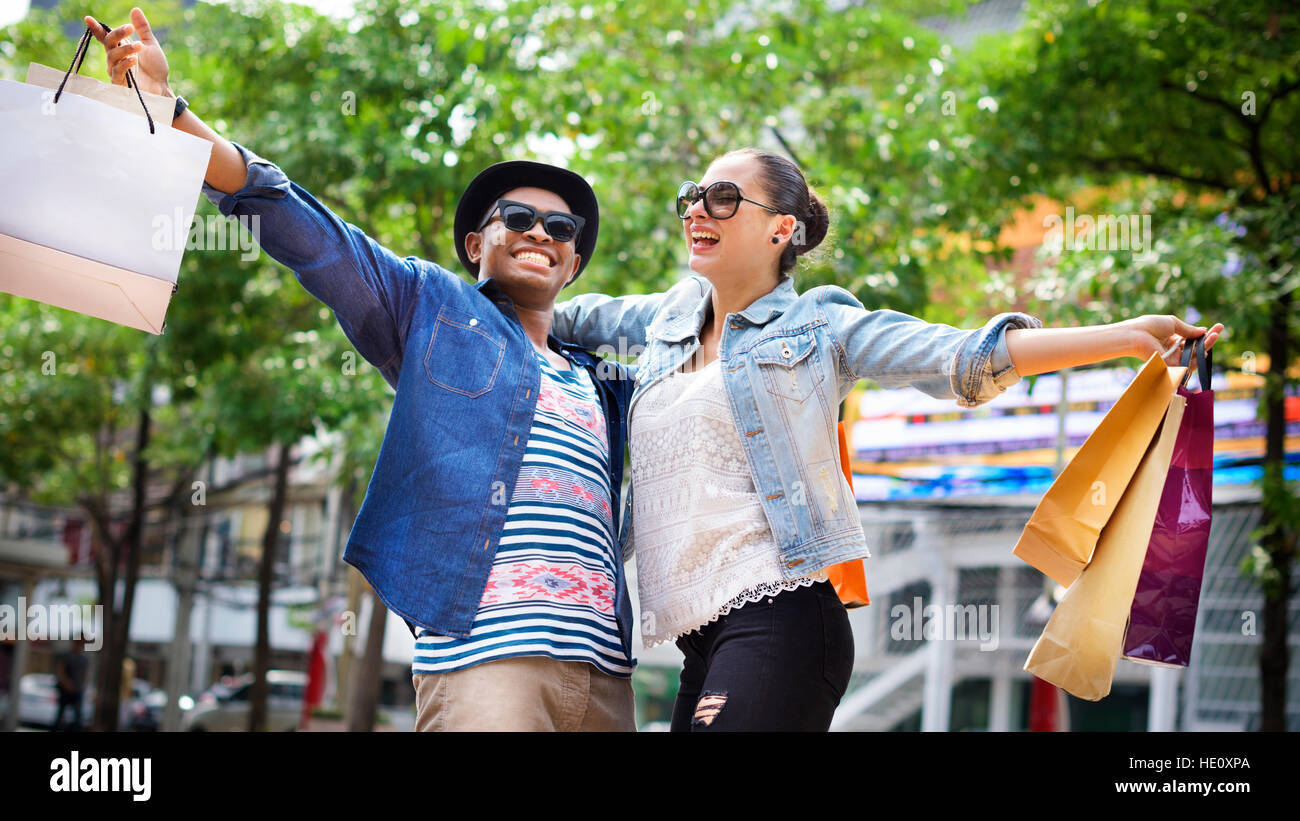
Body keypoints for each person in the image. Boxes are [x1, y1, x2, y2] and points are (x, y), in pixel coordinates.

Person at [88, 9, 638, 732]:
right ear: (477, 243)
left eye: (561, 229)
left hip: (606, 672)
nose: (540, 231)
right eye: (517, 216)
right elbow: (301, 226)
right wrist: (172, 110)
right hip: (486, 661)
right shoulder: (431, 308)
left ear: (573, 264)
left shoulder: (607, 379)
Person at [552, 147, 1224, 731]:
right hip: (699, 638)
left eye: (723, 198)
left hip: (782, 620)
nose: (698, 210)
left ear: (782, 229)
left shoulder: (820, 326)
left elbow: (963, 356)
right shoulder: (663, 321)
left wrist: (1127, 336)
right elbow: (555, 313)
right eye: (691, 198)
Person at [53, 637, 89, 732]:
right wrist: (67, 684)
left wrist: (82, 686)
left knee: (77, 717)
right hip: (65, 690)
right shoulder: (66, 655)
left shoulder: (84, 658)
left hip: (77, 690)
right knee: (60, 715)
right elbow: (60, 672)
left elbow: (84, 674)